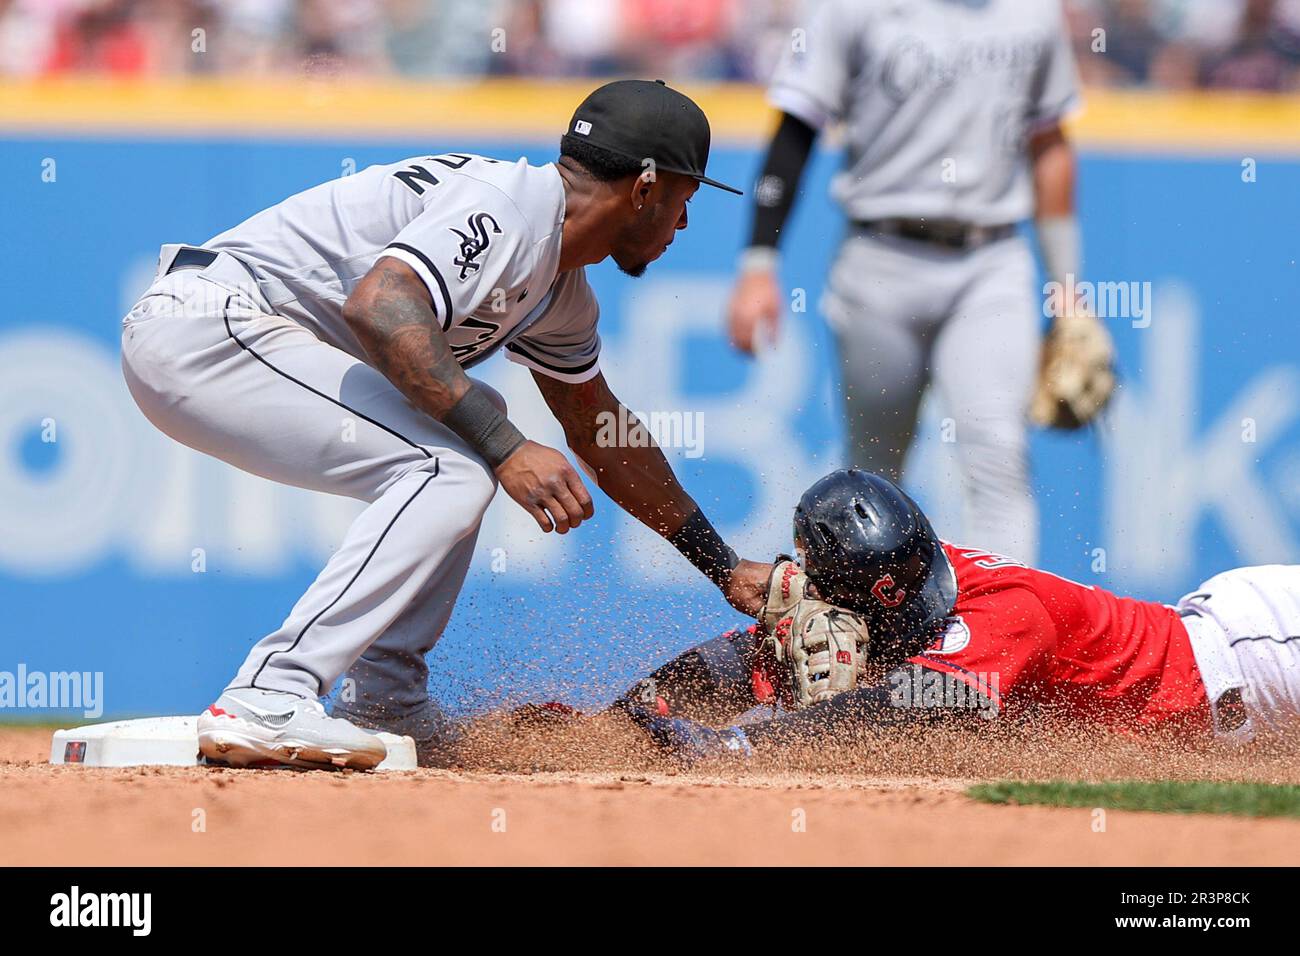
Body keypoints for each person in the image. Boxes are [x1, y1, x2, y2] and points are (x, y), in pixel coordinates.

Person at [121, 79, 775, 770]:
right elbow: (378, 306)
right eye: (684, 198)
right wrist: (506, 449)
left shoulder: (558, 288)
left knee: (471, 433)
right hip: (207, 324)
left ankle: (385, 705)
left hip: (241, 337)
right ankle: (269, 691)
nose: (682, 222)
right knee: (455, 463)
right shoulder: (512, 207)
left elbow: (599, 430)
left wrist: (724, 568)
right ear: (644, 187)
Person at [725, 0, 1092, 563]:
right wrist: (758, 263)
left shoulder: (1033, 12)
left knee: (999, 454)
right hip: (880, 260)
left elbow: (1050, 143)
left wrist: (1068, 285)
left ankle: (1006, 639)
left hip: (992, 260)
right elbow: (795, 131)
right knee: (874, 477)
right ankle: (865, 640)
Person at [618, 470, 1300, 762]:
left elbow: (913, 703)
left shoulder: (1006, 612)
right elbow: (743, 658)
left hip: (1259, 654)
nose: (912, 598)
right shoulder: (852, 601)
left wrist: (743, 747)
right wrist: (626, 718)